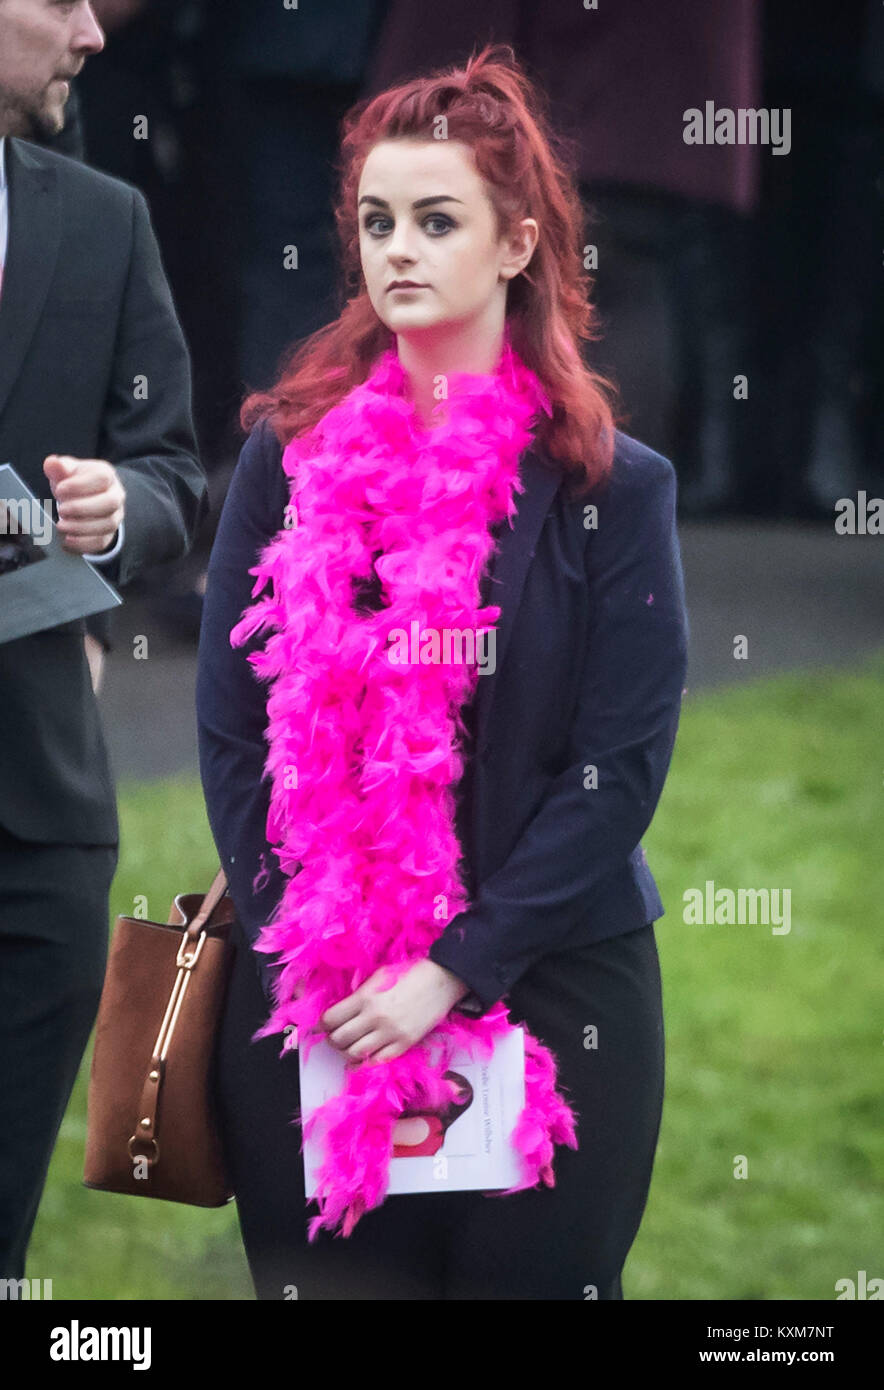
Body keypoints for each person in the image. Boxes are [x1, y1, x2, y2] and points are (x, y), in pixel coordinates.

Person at [197, 47, 688, 1300]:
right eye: (374, 222)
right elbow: (232, 733)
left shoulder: (609, 486)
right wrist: (300, 949)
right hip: (323, 997)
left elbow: (615, 766)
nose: (396, 248)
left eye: (434, 219)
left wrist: (450, 968)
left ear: (516, 244)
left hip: (553, 985)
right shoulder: (289, 458)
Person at [0, 0, 207, 1278]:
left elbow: (176, 470)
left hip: (37, 824)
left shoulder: (104, 219)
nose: (92, 33)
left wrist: (126, 509)